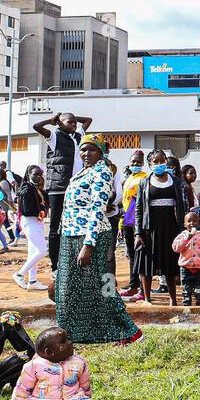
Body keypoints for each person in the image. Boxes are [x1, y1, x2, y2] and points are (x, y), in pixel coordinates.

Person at [54, 135, 141, 345]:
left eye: (91, 150)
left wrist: (88, 244)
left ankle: (129, 331)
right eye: (83, 150)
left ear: (101, 151)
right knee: (69, 288)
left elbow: (97, 210)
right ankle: (74, 334)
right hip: (71, 235)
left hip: (89, 237)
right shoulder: (84, 171)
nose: (86, 154)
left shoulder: (101, 173)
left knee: (104, 285)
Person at [7, 327, 98, 400]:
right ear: (49, 352)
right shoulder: (33, 366)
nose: (70, 343)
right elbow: (22, 390)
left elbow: (85, 385)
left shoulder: (79, 363)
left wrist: (84, 399)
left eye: (69, 339)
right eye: (64, 341)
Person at [33, 111, 93, 272]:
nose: (74, 125)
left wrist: (72, 116)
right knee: (55, 227)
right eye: (70, 123)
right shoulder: (54, 136)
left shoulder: (78, 136)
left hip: (76, 188)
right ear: (60, 124)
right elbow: (36, 126)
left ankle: (72, 260)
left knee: (75, 225)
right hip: (59, 189)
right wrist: (53, 120)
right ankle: (55, 265)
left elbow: (88, 119)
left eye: (75, 123)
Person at [134, 154, 186, 306]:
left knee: (170, 263)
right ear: (150, 164)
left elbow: (183, 205)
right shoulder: (144, 183)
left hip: (171, 228)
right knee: (146, 264)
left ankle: (173, 300)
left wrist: (184, 229)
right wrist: (138, 233)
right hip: (149, 229)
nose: (159, 164)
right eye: (155, 162)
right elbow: (138, 209)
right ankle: (147, 299)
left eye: (161, 161)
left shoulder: (176, 182)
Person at [117, 152, 149, 300]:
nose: (135, 165)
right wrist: (120, 224)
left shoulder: (145, 178)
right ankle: (133, 286)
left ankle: (143, 290)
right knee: (131, 255)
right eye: (133, 162)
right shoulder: (129, 178)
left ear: (142, 163)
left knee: (140, 256)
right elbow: (124, 202)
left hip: (139, 222)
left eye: (138, 162)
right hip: (127, 221)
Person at [13, 166, 49, 291]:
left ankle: (33, 281)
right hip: (30, 221)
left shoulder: (35, 188)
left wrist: (42, 211)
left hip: (36, 222)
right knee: (42, 250)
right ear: (29, 174)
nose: (38, 177)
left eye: (40, 174)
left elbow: (42, 205)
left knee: (33, 253)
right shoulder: (26, 189)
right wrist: (40, 212)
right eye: (35, 174)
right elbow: (27, 210)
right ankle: (19, 274)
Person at [173, 207, 200, 307]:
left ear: (198, 223)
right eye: (189, 221)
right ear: (184, 224)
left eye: (194, 221)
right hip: (185, 269)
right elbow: (176, 248)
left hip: (199, 269)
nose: (192, 223)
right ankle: (187, 307)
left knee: (198, 290)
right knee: (186, 291)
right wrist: (187, 238)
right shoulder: (181, 236)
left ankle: (199, 307)